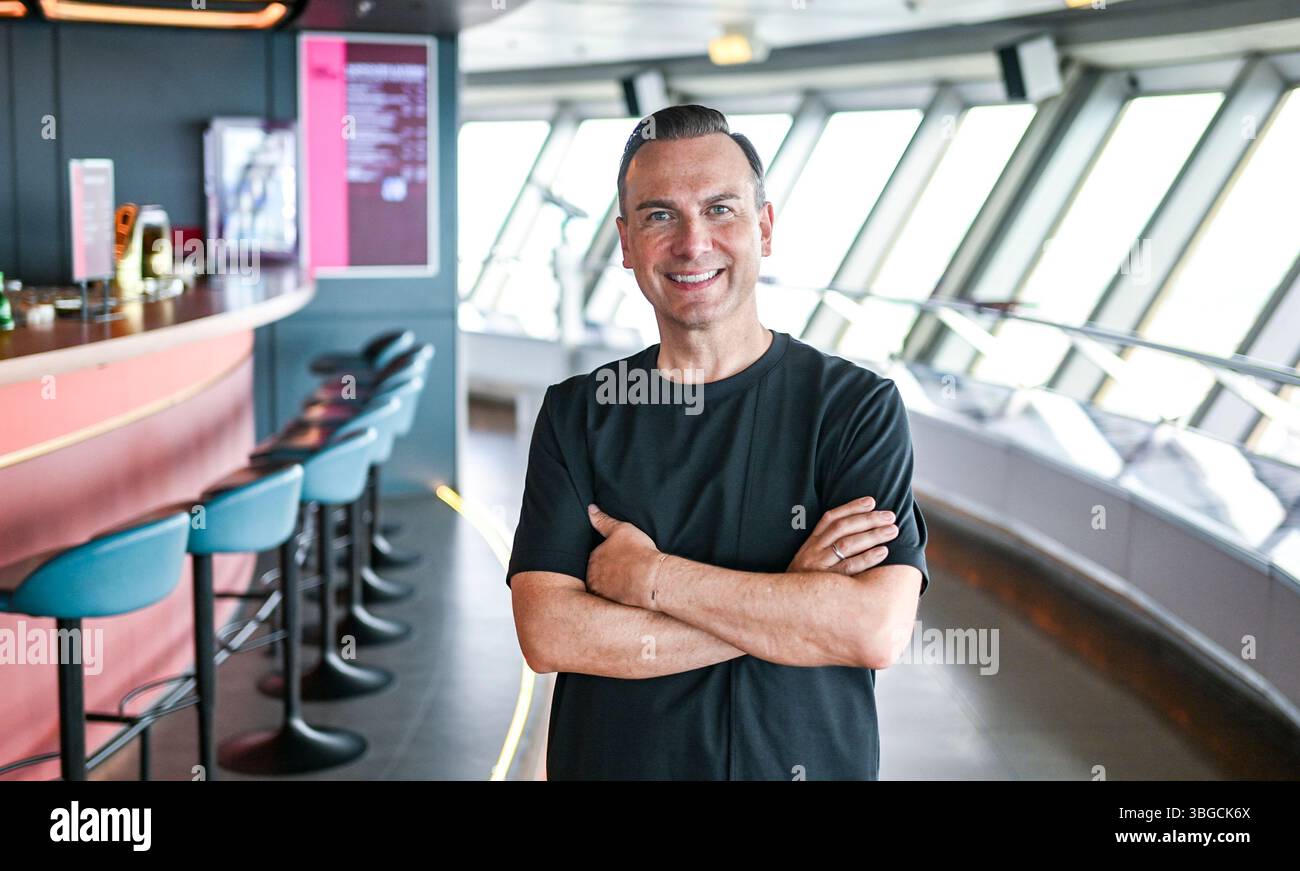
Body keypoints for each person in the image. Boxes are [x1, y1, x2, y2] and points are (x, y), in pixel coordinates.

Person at [506, 104, 930, 780]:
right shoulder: (578, 414)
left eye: (721, 209)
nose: (693, 243)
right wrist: (789, 602)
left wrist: (649, 580)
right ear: (624, 241)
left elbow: (871, 629)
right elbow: (551, 634)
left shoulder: (854, 408)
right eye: (658, 215)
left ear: (764, 227)